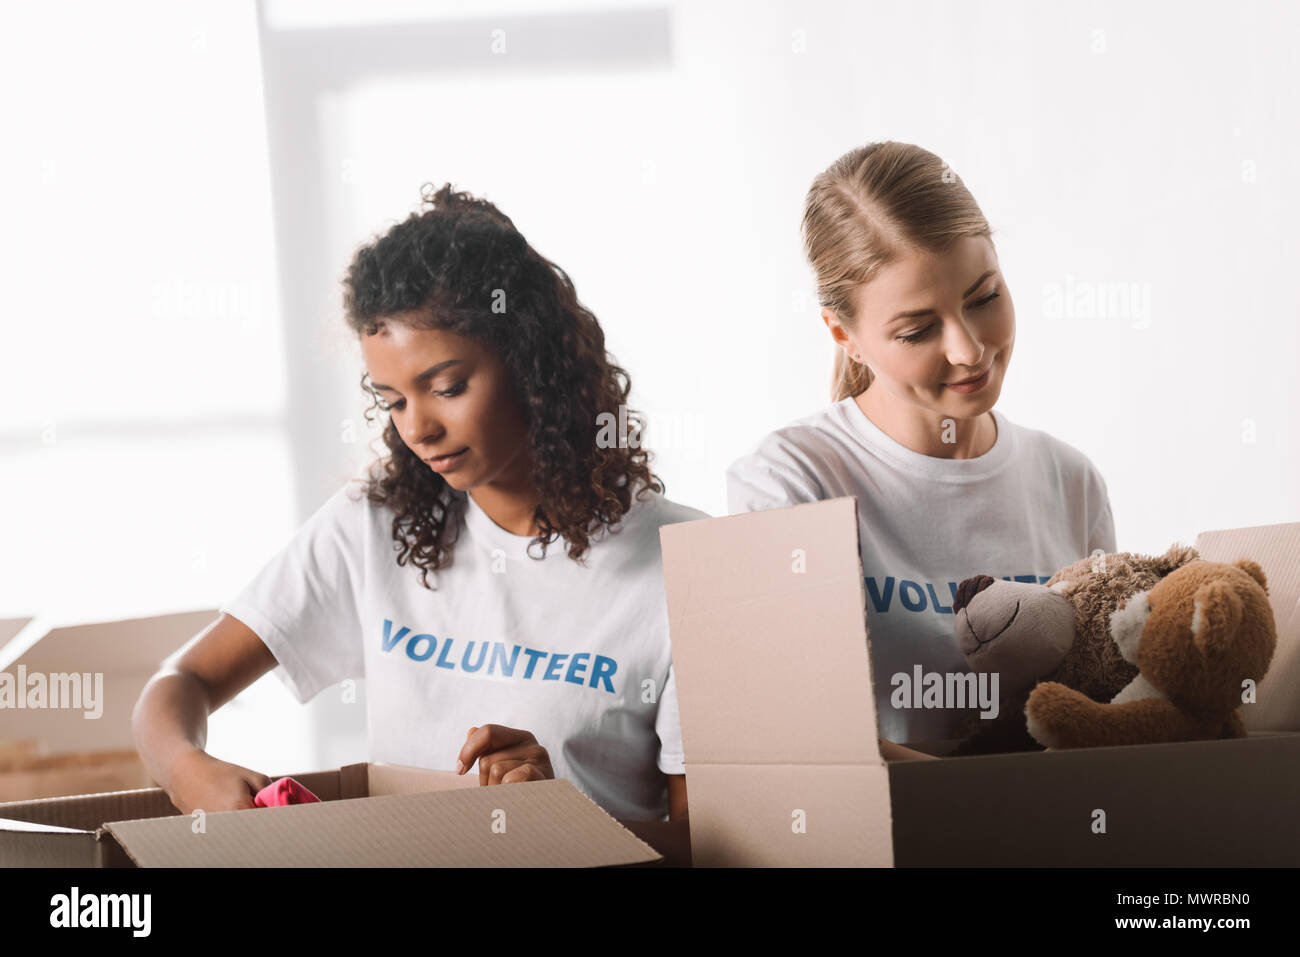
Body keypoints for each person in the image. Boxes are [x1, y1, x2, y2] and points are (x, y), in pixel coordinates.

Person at [133, 183, 703, 821]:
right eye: (393, 400)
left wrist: (558, 819)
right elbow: (175, 687)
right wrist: (188, 770)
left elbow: (710, 849)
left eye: (448, 387)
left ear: (531, 362)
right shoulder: (376, 526)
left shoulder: (687, 569)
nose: (418, 429)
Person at [726, 141, 1117, 748]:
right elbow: (797, 745)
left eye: (984, 298)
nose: (969, 350)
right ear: (843, 334)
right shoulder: (789, 483)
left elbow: (1100, 701)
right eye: (917, 330)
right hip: (889, 841)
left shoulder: (1070, 480)